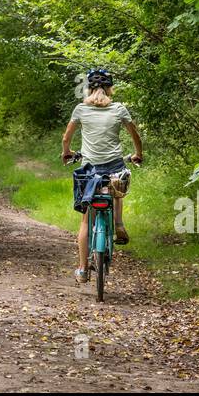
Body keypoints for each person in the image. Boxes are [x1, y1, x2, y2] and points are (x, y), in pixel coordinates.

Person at [63, 69, 143, 284]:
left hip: (90, 168)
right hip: (114, 165)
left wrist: (67, 153)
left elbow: (66, 139)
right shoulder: (118, 109)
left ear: (88, 88)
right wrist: (138, 154)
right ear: (110, 89)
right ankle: (118, 224)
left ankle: (82, 269)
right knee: (117, 185)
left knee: (85, 218)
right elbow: (134, 133)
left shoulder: (81, 109)